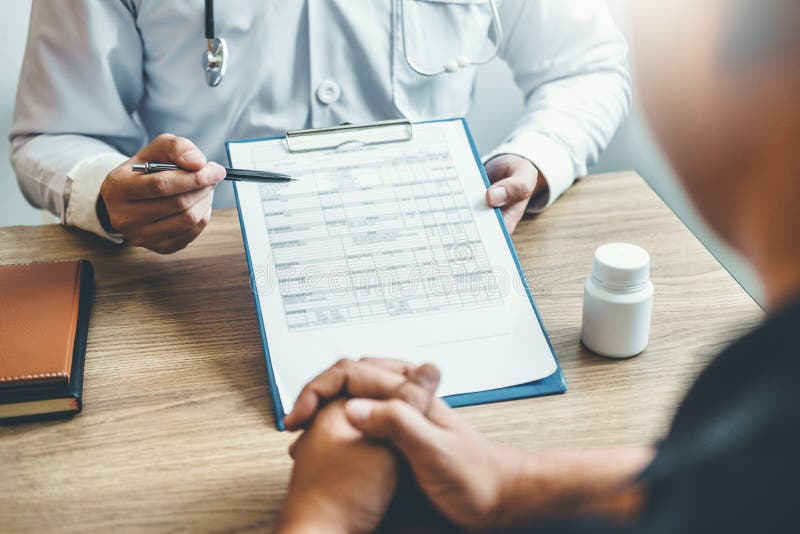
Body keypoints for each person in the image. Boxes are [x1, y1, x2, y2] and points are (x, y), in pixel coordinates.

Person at [273, 0, 800, 532]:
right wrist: (508, 484)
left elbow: (589, 63)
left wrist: (325, 514)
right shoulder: (759, 403)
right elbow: (722, 473)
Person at [10, 1, 630, 254]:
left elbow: (587, 67)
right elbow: (54, 132)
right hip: (200, 275)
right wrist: (106, 191)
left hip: (431, 256)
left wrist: (536, 156)